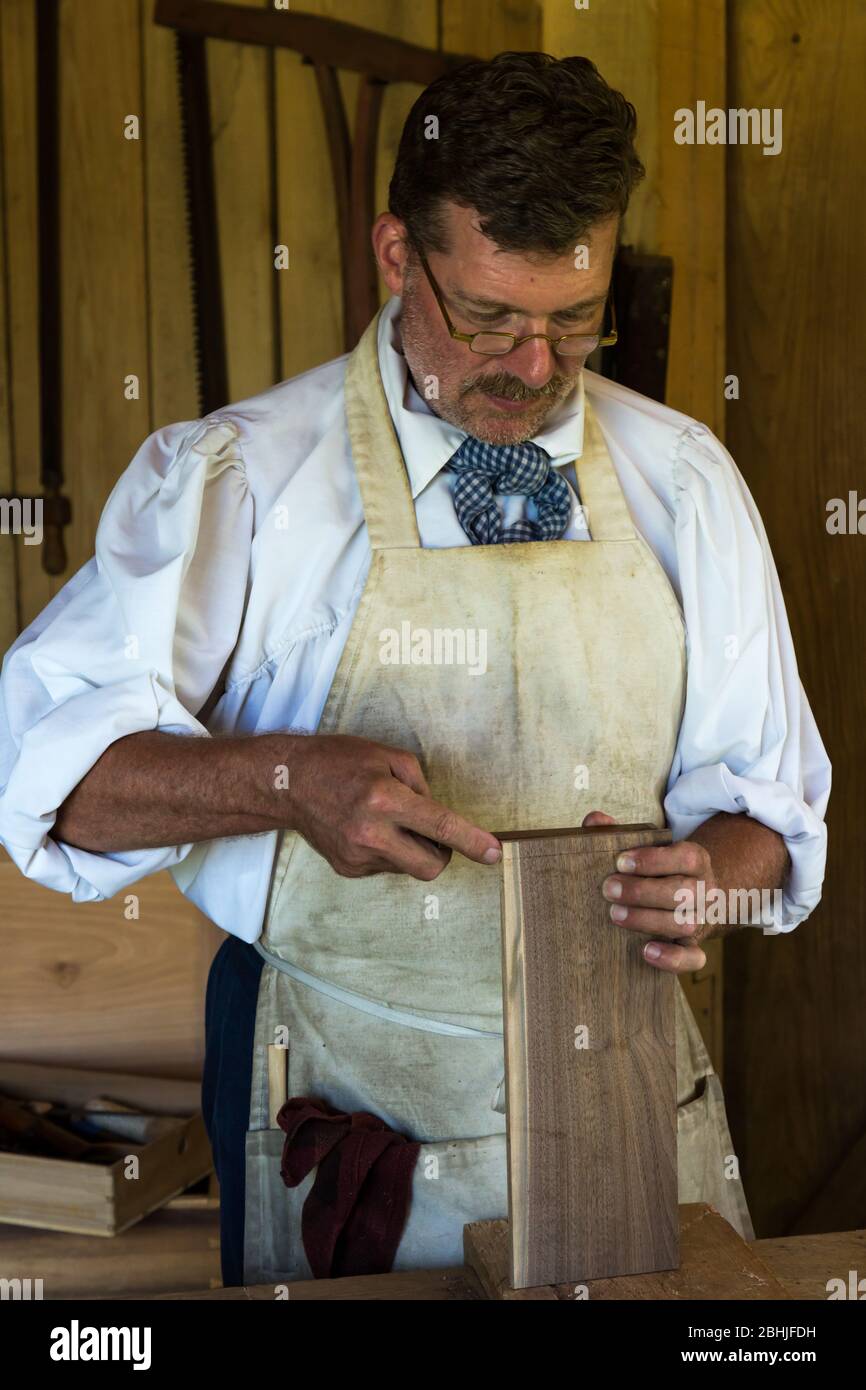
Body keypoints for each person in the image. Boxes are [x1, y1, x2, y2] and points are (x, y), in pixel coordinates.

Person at [0, 53, 830, 1287]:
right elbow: (45, 781)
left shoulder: (683, 481)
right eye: (488, 319)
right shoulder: (239, 479)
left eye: (574, 319)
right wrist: (284, 780)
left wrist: (708, 879)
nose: (536, 367)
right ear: (398, 255)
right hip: (351, 1103)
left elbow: (769, 816)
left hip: (627, 1100)